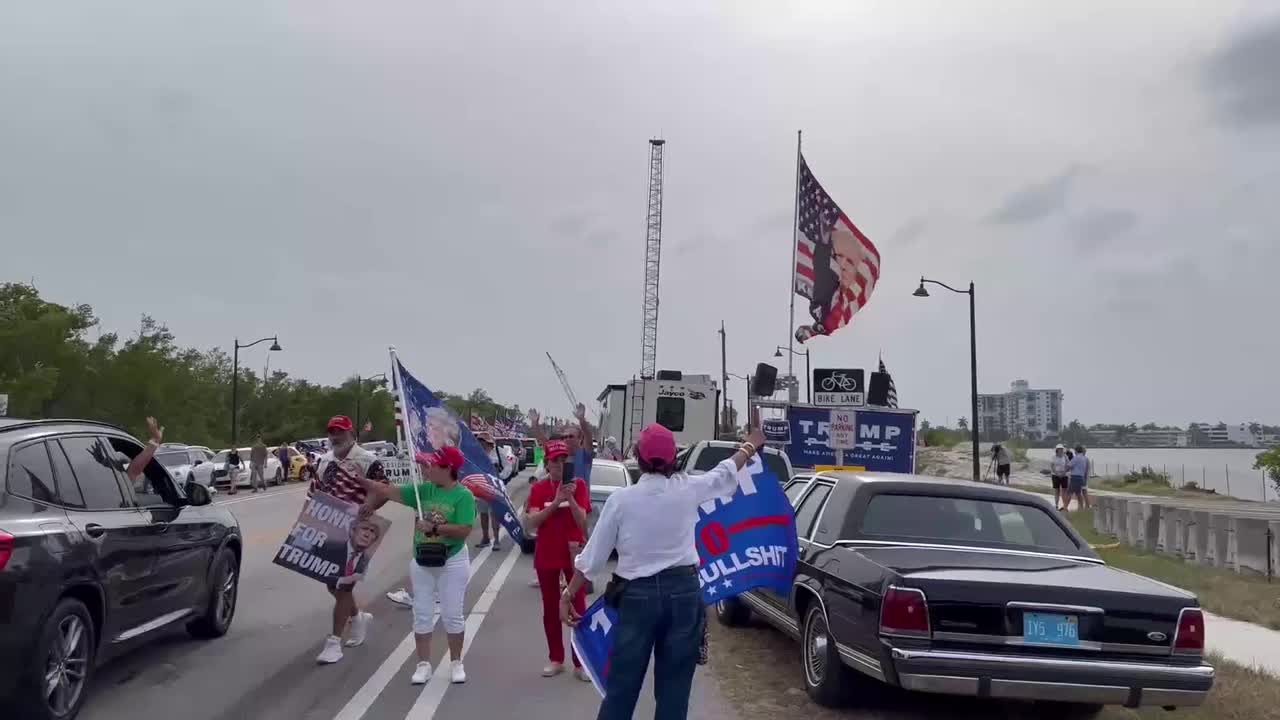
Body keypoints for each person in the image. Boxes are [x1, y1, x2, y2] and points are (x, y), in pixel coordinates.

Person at [562, 422, 767, 720]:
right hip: (684, 596)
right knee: (674, 693)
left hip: (636, 599)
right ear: (673, 459)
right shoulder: (687, 489)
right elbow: (724, 472)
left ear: (638, 457)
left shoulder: (621, 501)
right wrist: (750, 445)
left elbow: (592, 559)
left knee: (622, 689)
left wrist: (568, 593)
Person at [361, 445, 475, 684]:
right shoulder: (423, 490)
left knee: (452, 614)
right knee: (421, 613)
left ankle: (456, 662)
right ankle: (423, 664)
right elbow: (388, 491)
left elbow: (464, 530)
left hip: (451, 561)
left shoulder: (463, 495)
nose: (428, 468)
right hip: (422, 561)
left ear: (449, 469)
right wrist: (362, 481)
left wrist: (435, 528)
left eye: (434, 465)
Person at [309, 415, 390, 665]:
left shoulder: (367, 460)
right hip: (330, 527)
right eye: (332, 432)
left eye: (340, 432)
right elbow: (314, 491)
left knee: (343, 585)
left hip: (357, 530)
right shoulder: (323, 461)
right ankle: (357, 617)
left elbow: (384, 489)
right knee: (332, 584)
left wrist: (369, 504)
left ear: (351, 433)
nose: (335, 436)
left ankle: (334, 643)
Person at [522, 440, 592, 680]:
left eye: (564, 460)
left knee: (578, 605)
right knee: (551, 607)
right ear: (547, 464)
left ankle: (580, 662)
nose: (560, 465)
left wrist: (570, 498)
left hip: (573, 554)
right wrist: (555, 501)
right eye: (555, 461)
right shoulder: (539, 488)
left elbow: (583, 521)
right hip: (547, 553)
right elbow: (533, 521)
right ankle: (556, 658)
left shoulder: (579, 485)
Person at [527, 405, 594, 588]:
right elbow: (545, 444)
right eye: (564, 437)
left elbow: (589, 438)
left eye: (571, 436)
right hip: (558, 501)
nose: (566, 440)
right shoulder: (558, 456)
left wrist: (582, 420)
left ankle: (582, 579)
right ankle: (553, 576)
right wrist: (535, 424)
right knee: (552, 538)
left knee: (580, 542)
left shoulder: (583, 455)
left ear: (579, 439)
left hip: (578, 502)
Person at [475, 433, 516, 551]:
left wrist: (500, 477)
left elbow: (508, 466)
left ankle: (496, 540)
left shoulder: (499, 451)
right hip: (481, 486)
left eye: (482, 441)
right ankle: (485, 538)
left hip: (495, 487)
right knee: (483, 513)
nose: (480, 443)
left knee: (495, 514)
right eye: (479, 441)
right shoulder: (477, 453)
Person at [335, 518, 383, 587]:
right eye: (364, 528)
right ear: (352, 531)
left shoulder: (368, 563)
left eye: (372, 531)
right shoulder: (330, 548)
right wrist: (339, 580)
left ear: (374, 541)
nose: (367, 535)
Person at [1067, 444, 1090, 511]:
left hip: (1081, 478)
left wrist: (1085, 480)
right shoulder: (1084, 458)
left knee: (1083, 492)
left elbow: (1086, 470)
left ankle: (1087, 506)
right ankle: (1083, 507)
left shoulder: (1083, 458)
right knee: (1079, 493)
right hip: (1082, 478)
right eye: (1083, 450)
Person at [1050, 443, 1071, 511]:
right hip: (1055, 475)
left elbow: (1068, 465)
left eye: (1061, 449)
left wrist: (1064, 472)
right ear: (1057, 450)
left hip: (1064, 475)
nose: (1060, 450)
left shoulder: (1065, 456)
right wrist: (1057, 473)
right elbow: (1052, 466)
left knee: (1064, 490)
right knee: (1057, 490)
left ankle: (1064, 506)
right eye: (1059, 449)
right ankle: (1056, 505)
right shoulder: (1053, 457)